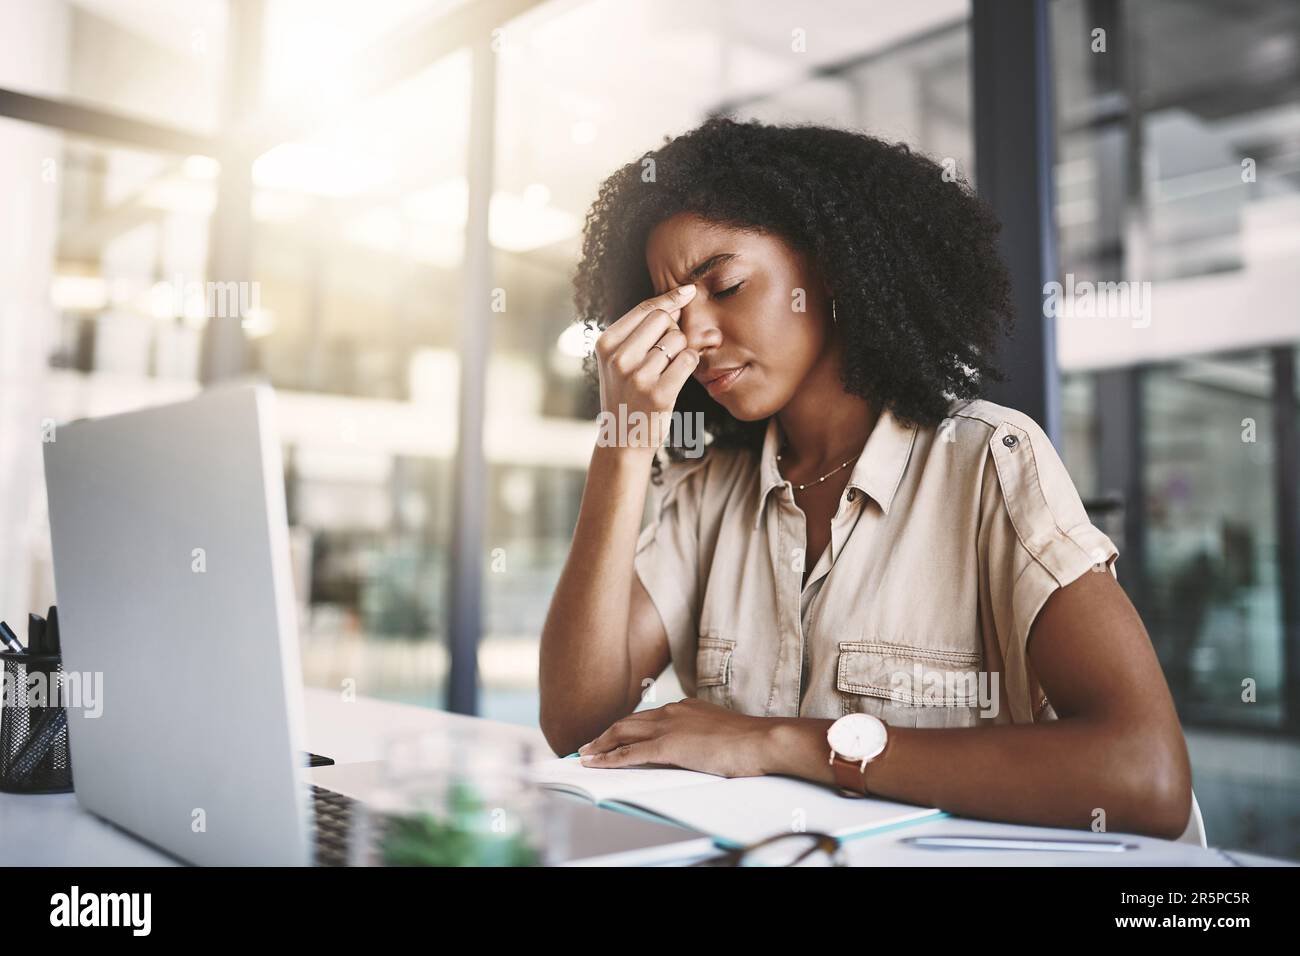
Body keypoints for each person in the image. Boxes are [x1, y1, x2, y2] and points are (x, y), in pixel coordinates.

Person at [538, 117, 1191, 838]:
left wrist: (777, 741)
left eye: (723, 285)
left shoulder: (986, 462)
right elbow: (579, 723)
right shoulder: (708, 489)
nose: (695, 337)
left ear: (833, 269)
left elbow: (1145, 774)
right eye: (672, 311)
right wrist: (622, 442)